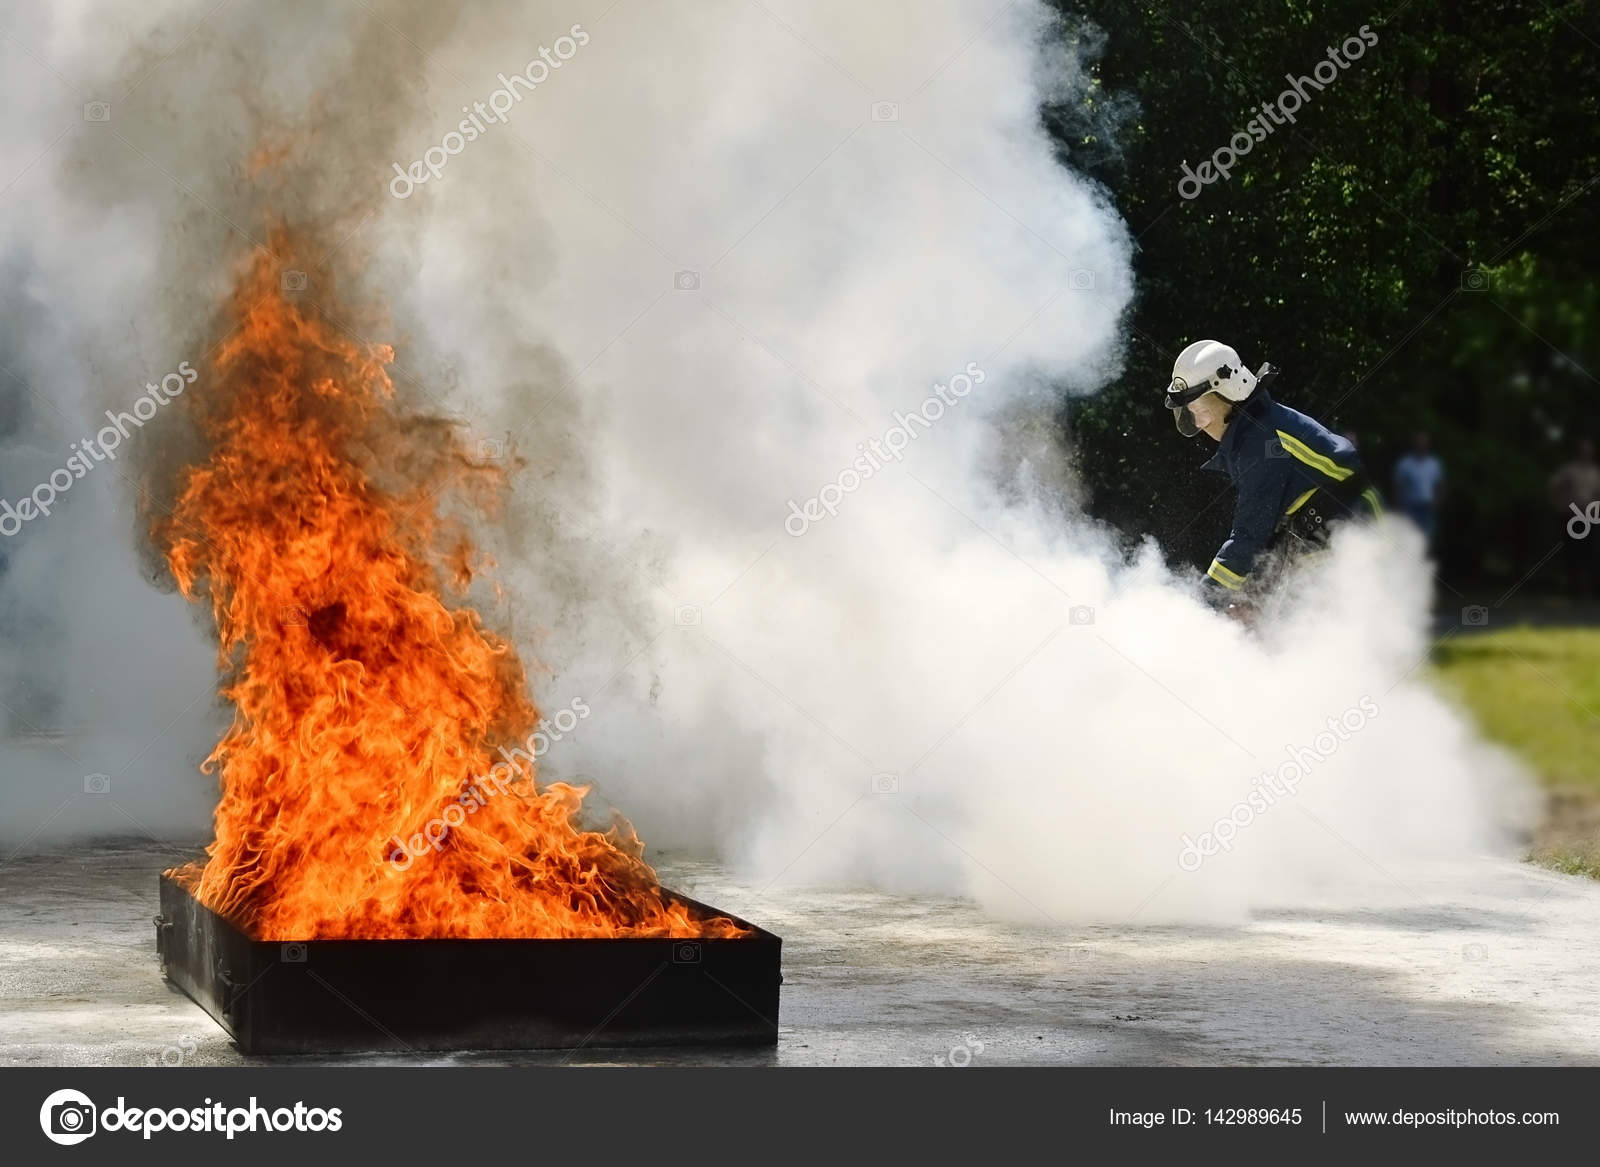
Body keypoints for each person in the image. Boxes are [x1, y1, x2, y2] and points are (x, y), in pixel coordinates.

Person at [1163, 340, 1383, 614]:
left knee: (1307, 631)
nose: (1199, 424)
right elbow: (1266, 531)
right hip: (1324, 526)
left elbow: (1250, 534)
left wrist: (1203, 606)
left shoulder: (1260, 440)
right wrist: (1247, 596)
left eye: (1201, 411)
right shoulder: (1254, 431)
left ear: (1229, 392)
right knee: (1281, 628)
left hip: (1349, 524)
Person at [1548, 437, 1600, 598]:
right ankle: (1573, 588)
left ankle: (1591, 589)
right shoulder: (1569, 470)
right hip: (1571, 515)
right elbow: (1552, 486)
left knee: (1590, 552)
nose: (1586, 454)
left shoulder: (1595, 472)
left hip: (1589, 515)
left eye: (1588, 451)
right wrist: (1558, 505)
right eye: (1583, 451)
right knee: (1571, 551)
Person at [1391, 432, 1445, 547]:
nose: (1421, 446)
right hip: (1410, 506)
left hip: (1428, 506)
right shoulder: (1405, 463)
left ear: (1427, 446)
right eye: (1419, 444)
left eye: (1423, 444)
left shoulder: (1434, 463)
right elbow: (1398, 486)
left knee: (1427, 538)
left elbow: (1440, 484)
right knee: (1409, 535)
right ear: (1415, 445)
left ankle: (1422, 561)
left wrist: (1438, 501)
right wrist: (1398, 506)